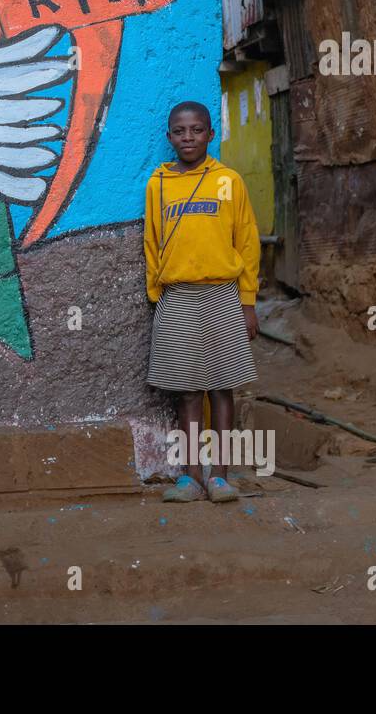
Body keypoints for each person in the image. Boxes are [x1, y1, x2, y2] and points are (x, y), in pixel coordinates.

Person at [144, 101, 260, 503]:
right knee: (187, 391)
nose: (188, 138)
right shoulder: (158, 185)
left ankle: (221, 476)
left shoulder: (228, 181)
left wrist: (247, 302)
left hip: (222, 296)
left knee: (221, 388)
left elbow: (246, 241)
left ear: (211, 135)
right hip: (177, 297)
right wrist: (157, 295)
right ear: (169, 137)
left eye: (196, 130)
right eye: (180, 131)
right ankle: (191, 477)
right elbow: (152, 242)